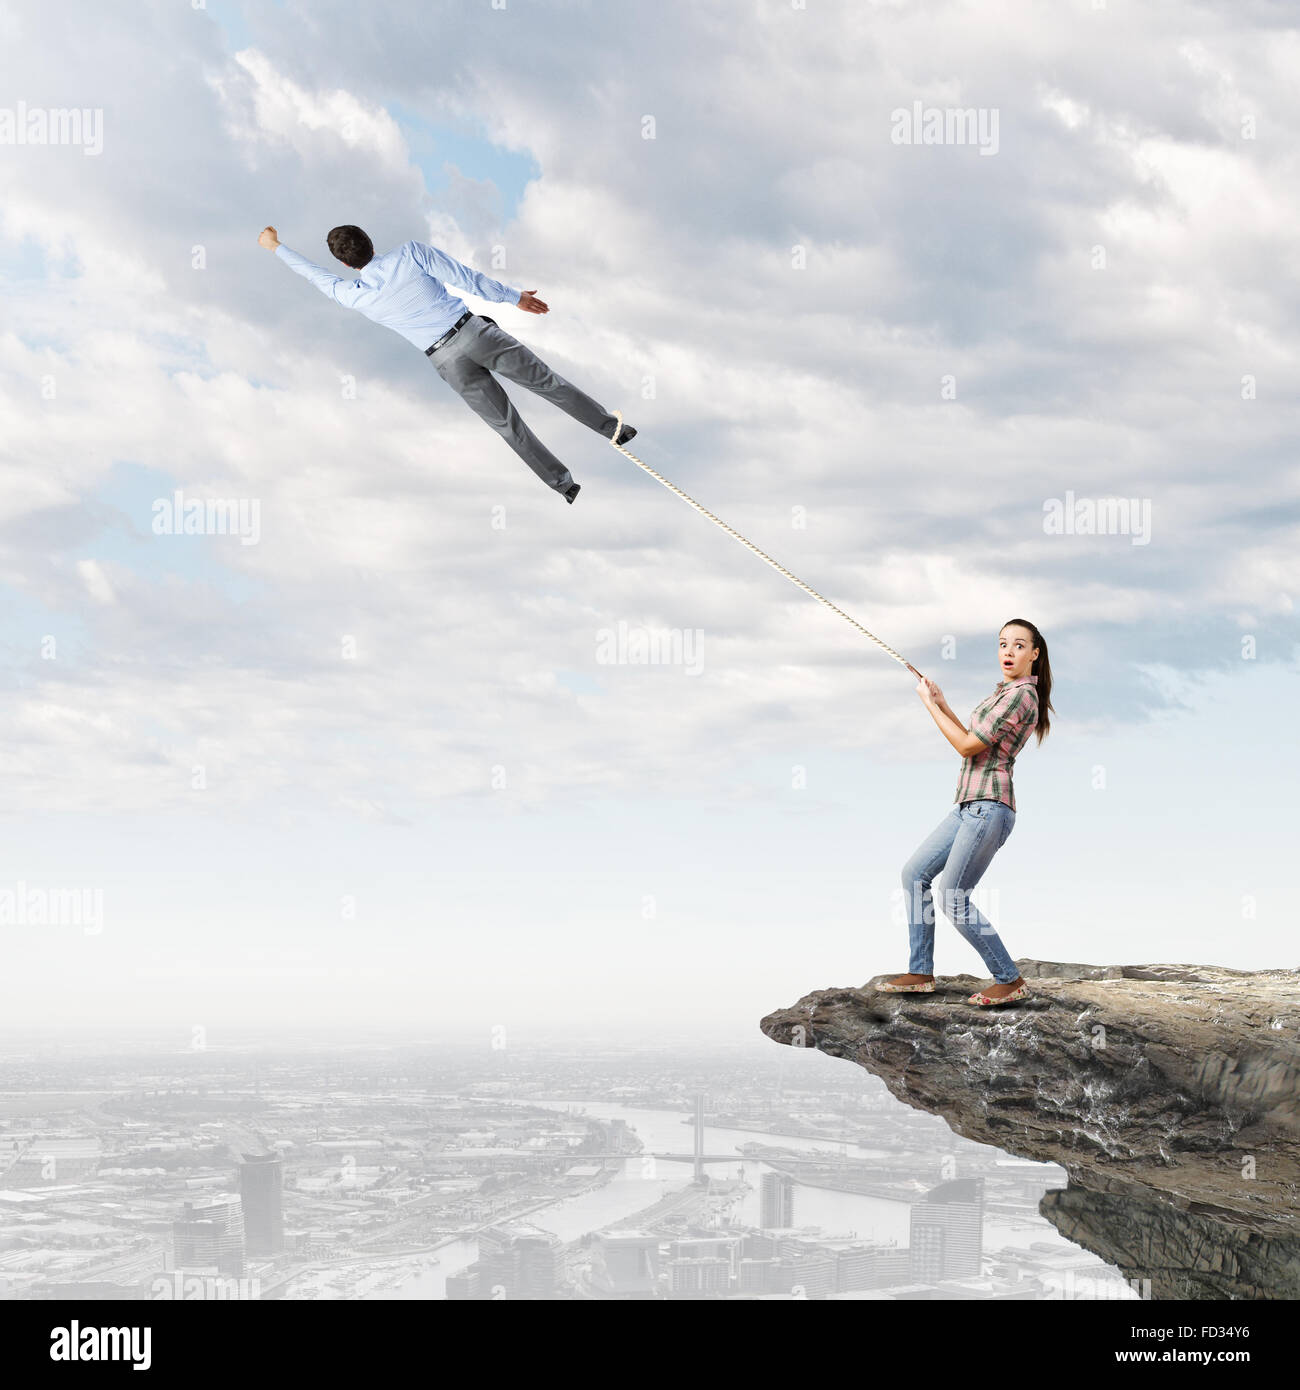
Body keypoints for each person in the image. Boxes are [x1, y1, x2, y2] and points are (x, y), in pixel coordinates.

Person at [258, 224, 636, 503]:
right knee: (548, 384)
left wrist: (275, 247)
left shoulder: (352, 293)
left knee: (507, 426)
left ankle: (563, 485)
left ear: (343, 261)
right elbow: (466, 279)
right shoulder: (409, 253)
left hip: (446, 361)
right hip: (475, 334)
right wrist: (513, 297)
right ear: (370, 241)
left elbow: (313, 275)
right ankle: (611, 430)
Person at [875, 619, 1054, 1006]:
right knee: (913, 873)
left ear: (1034, 654)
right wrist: (941, 703)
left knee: (954, 895)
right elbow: (974, 738)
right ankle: (920, 972)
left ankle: (1009, 978)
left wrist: (927, 707)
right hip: (967, 805)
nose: (1009, 652)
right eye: (1003, 644)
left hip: (989, 808)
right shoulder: (1004, 692)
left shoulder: (1022, 696)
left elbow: (966, 747)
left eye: (1019, 646)